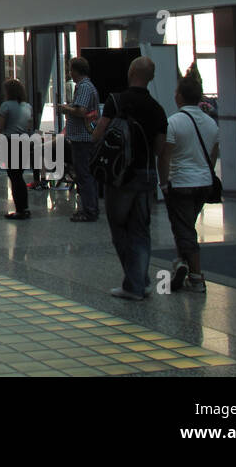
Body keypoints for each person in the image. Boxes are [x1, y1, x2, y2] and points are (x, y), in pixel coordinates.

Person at [93, 56, 167, 301]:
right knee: (140, 229)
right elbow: (158, 148)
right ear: (152, 77)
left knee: (119, 226)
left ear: (130, 71)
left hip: (120, 175)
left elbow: (99, 133)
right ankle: (141, 281)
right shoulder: (157, 109)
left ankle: (134, 284)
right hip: (146, 174)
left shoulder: (117, 100)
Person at [163, 74, 219, 293]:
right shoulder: (211, 123)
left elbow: (165, 156)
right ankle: (182, 263)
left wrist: (163, 182)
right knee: (186, 224)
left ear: (180, 97)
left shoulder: (174, 122)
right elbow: (213, 154)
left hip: (180, 182)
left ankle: (196, 276)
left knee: (185, 228)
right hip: (204, 182)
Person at [56, 56, 100, 222]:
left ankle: (88, 210)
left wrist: (65, 108)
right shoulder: (87, 86)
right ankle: (90, 207)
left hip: (82, 137)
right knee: (85, 174)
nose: (70, 73)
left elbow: (81, 111)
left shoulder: (83, 87)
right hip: (84, 136)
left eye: (70, 70)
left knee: (83, 174)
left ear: (75, 70)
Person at [0, 78, 34, 219]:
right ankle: (24, 207)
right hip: (24, 142)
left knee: (14, 176)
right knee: (19, 175)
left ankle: (20, 209)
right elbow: (29, 126)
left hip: (10, 142)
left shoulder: (5, 106)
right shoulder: (27, 107)